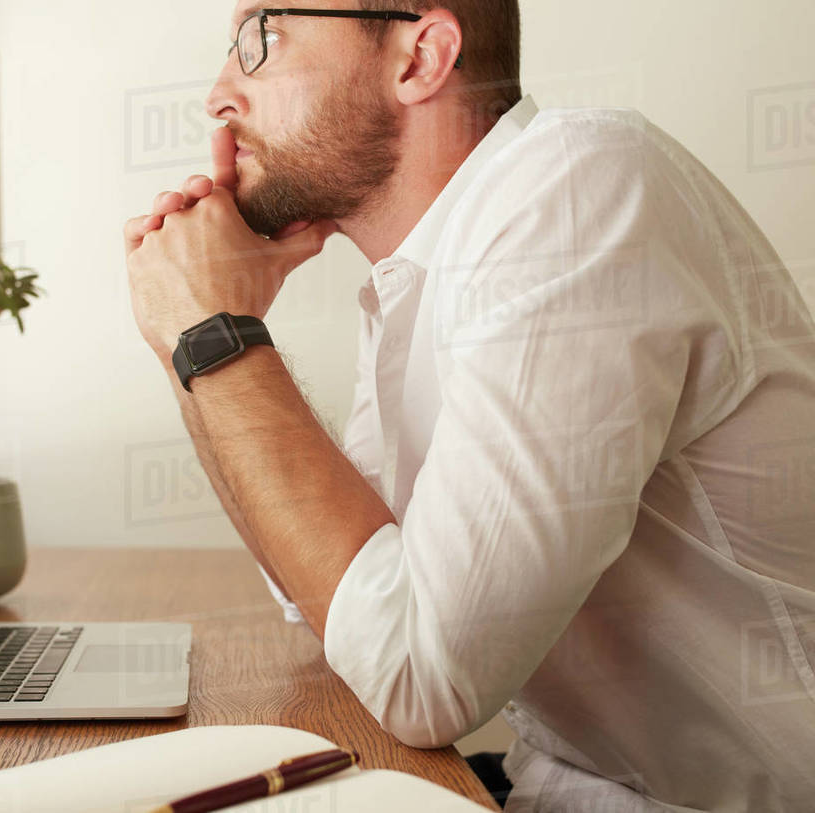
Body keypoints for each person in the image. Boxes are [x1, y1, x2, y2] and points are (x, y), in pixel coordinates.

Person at [122, 2, 815, 809]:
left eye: (261, 38)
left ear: (421, 57)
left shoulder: (573, 189)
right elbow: (330, 602)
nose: (217, 95)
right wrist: (192, 336)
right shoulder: (424, 276)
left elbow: (419, 674)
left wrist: (214, 333)